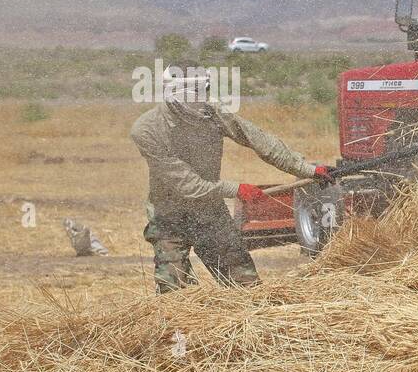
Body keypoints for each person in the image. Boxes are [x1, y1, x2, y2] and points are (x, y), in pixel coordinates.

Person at [130, 66, 335, 293]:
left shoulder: (213, 114)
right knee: (175, 295)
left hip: (210, 214)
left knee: (249, 290)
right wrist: (237, 189)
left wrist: (307, 170)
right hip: (168, 219)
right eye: (198, 92)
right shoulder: (146, 130)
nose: (204, 98)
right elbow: (188, 186)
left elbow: (260, 141)